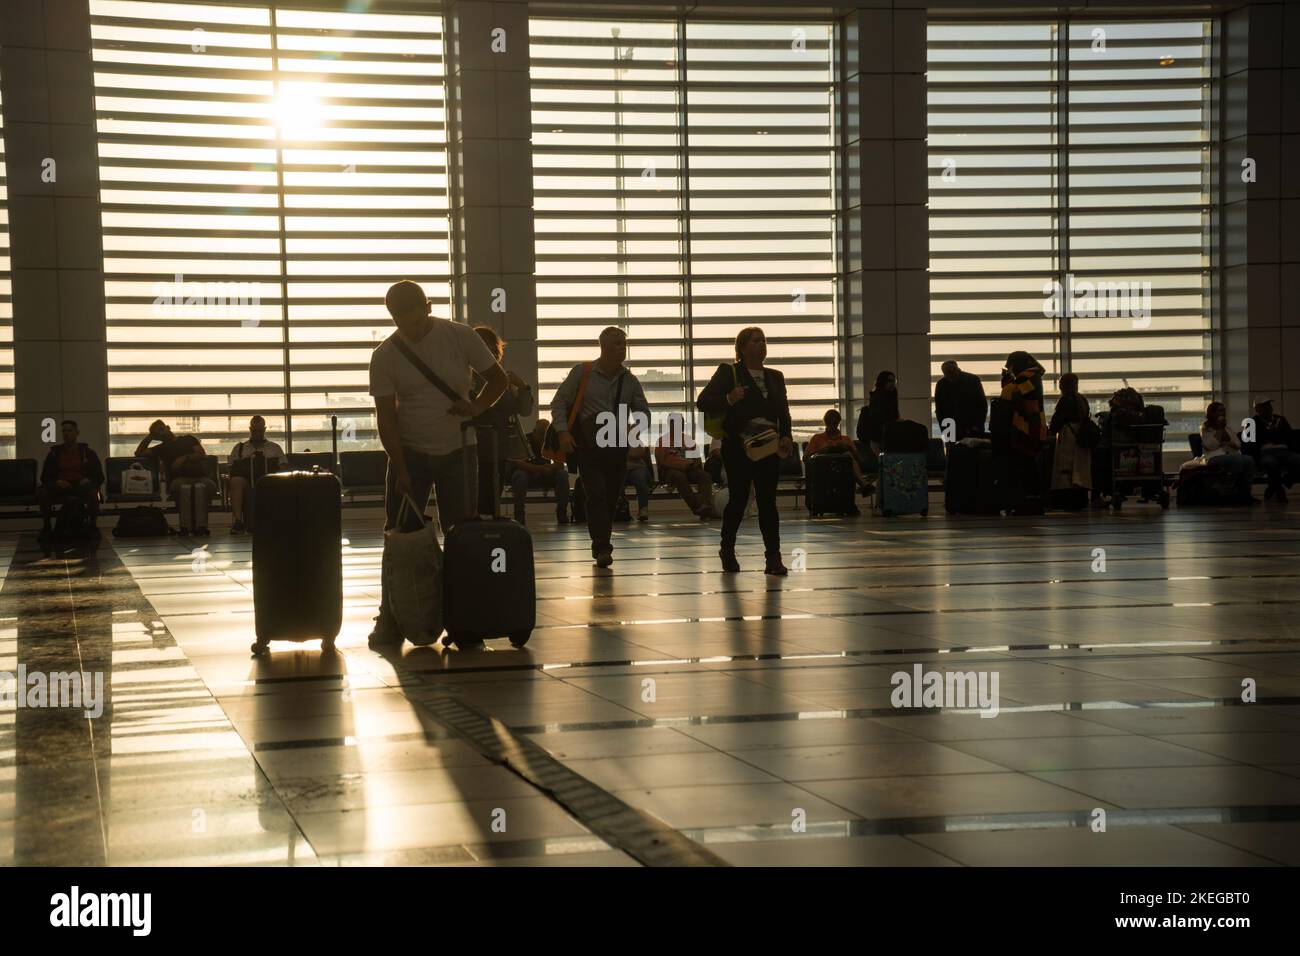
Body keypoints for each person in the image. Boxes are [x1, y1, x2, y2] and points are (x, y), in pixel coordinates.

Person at [367, 280, 508, 645]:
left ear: (428, 308)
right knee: (400, 538)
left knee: (461, 535)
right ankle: (391, 618)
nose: (409, 330)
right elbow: (386, 417)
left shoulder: (459, 336)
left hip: (458, 449)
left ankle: (465, 619)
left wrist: (476, 407)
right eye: (400, 323)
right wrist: (399, 467)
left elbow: (498, 380)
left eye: (414, 321)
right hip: (409, 453)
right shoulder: (385, 355)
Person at [697, 326, 793, 575]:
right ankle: (727, 549)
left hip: (768, 448)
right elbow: (703, 401)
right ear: (742, 348)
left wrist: (786, 436)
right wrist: (729, 398)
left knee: (767, 502)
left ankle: (773, 557)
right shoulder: (730, 373)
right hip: (738, 448)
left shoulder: (775, 376)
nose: (761, 344)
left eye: (763, 340)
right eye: (755, 341)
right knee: (738, 500)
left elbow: (783, 412)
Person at [551, 327, 650, 568]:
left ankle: (601, 541)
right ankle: (602, 547)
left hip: (616, 446)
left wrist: (635, 431)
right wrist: (563, 432)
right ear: (603, 346)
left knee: (610, 498)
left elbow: (643, 412)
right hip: (588, 446)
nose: (622, 347)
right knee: (596, 494)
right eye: (616, 343)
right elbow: (559, 403)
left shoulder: (630, 380)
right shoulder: (583, 372)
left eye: (623, 343)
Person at [470, 326, 534, 516]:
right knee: (478, 488)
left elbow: (525, 410)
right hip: (474, 444)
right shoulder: (465, 378)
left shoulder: (503, 379)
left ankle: (488, 526)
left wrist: (522, 386)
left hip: (499, 445)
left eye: (490, 348)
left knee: (492, 487)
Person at [135, 419, 214, 534]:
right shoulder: (161, 448)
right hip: (178, 480)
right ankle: (185, 527)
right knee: (185, 488)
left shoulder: (188, 439)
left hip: (200, 476)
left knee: (200, 486)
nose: (162, 433)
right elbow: (139, 453)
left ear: (168, 427)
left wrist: (184, 458)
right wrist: (149, 437)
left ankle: (201, 526)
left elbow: (201, 454)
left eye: (162, 429)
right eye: (158, 433)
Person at [995, 350, 1047, 515]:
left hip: (1026, 427)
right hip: (1032, 425)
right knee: (1027, 464)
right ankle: (1030, 500)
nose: (1010, 369)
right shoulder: (1033, 375)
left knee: (1025, 465)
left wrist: (1008, 384)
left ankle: (1028, 501)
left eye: (1010, 366)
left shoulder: (1028, 376)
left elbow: (1014, 395)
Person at [37, 420, 104, 537]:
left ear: (77, 433)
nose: (66, 433)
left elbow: (99, 476)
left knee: (94, 492)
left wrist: (88, 479)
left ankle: (93, 526)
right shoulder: (54, 454)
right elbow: (45, 477)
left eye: (69, 430)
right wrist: (56, 481)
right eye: (64, 431)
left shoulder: (88, 453)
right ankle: (46, 526)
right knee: (42, 492)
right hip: (61, 485)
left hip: (80, 485)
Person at [226, 415, 286, 534]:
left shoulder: (274, 448)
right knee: (235, 481)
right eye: (254, 431)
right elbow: (231, 468)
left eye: (259, 430)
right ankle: (238, 521)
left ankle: (277, 520)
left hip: (269, 480)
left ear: (264, 430)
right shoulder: (240, 448)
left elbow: (284, 467)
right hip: (246, 480)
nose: (257, 433)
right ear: (250, 429)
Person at [507, 418, 570, 525]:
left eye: (544, 436)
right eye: (541, 435)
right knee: (520, 475)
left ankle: (562, 513)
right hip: (528, 475)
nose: (542, 439)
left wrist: (547, 468)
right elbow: (519, 463)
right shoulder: (524, 440)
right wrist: (540, 469)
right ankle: (519, 515)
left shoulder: (551, 440)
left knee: (563, 474)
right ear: (534, 432)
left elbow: (560, 464)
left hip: (543, 474)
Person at [655, 412, 718, 519]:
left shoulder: (688, 440)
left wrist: (694, 465)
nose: (681, 425)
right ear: (670, 424)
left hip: (689, 468)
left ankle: (705, 505)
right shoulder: (662, 441)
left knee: (705, 476)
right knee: (679, 477)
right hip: (671, 470)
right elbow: (662, 462)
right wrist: (682, 465)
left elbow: (697, 458)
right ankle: (698, 507)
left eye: (682, 423)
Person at [1048, 373, 1091, 511]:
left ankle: (1066, 501)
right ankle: (1080, 500)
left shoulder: (1065, 400)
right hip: (1082, 438)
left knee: (1065, 470)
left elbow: (1056, 421)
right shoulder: (1082, 399)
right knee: (1079, 470)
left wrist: (1050, 431)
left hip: (1068, 437)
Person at [807, 408, 871, 499]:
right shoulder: (817, 438)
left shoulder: (846, 439)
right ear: (826, 423)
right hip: (823, 472)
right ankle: (862, 483)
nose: (832, 426)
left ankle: (860, 484)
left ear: (838, 423)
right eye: (830, 423)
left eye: (834, 423)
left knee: (847, 454)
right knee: (846, 455)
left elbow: (858, 460)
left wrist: (849, 448)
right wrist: (822, 450)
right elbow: (806, 458)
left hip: (843, 472)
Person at [1200, 401, 1257, 503]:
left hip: (1231, 454)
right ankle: (1229, 490)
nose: (1223, 413)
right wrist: (1220, 430)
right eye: (1220, 411)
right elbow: (1212, 445)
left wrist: (1228, 442)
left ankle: (1245, 494)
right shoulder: (1205, 429)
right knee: (1238, 460)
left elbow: (1238, 444)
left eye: (1224, 411)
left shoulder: (1228, 428)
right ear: (1212, 413)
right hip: (1214, 457)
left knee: (1249, 460)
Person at [1247, 397, 1299, 503]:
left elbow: (1290, 437)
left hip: (1283, 450)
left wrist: (1271, 435)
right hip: (1265, 452)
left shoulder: (1280, 419)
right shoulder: (1251, 423)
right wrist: (1271, 435)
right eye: (1264, 406)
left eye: (1269, 405)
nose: (1268, 408)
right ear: (1257, 409)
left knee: (1298, 460)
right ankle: (1279, 490)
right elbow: (1250, 443)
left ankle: (1276, 485)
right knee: (1271, 463)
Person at [934, 360, 988, 439]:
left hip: (952, 426)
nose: (950, 376)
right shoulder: (973, 380)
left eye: (951, 373)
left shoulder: (941, 384)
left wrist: (945, 431)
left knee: (954, 449)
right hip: (971, 425)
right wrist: (977, 425)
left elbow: (940, 410)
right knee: (973, 448)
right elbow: (982, 405)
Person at [856, 370, 898, 455]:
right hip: (877, 435)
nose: (893, 383)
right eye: (890, 381)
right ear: (883, 382)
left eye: (894, 381)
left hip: (881, 435)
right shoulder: (880, 398)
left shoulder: (888, 396)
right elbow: (879, 418)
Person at [625, 444, 652, 521]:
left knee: (640, 480)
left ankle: (643, 509)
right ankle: (619, 508)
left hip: (637, 467)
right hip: (620, 467)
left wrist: (624, 454)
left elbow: (640, 453)